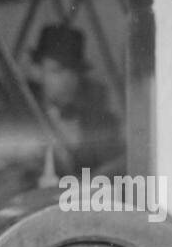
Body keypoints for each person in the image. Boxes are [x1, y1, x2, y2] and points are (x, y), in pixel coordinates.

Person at [27, 24, 123, 172]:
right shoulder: (22, 120)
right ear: (37, 72)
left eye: (73, 71)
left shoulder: (101, 122)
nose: (67, 81)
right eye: (57, 71)